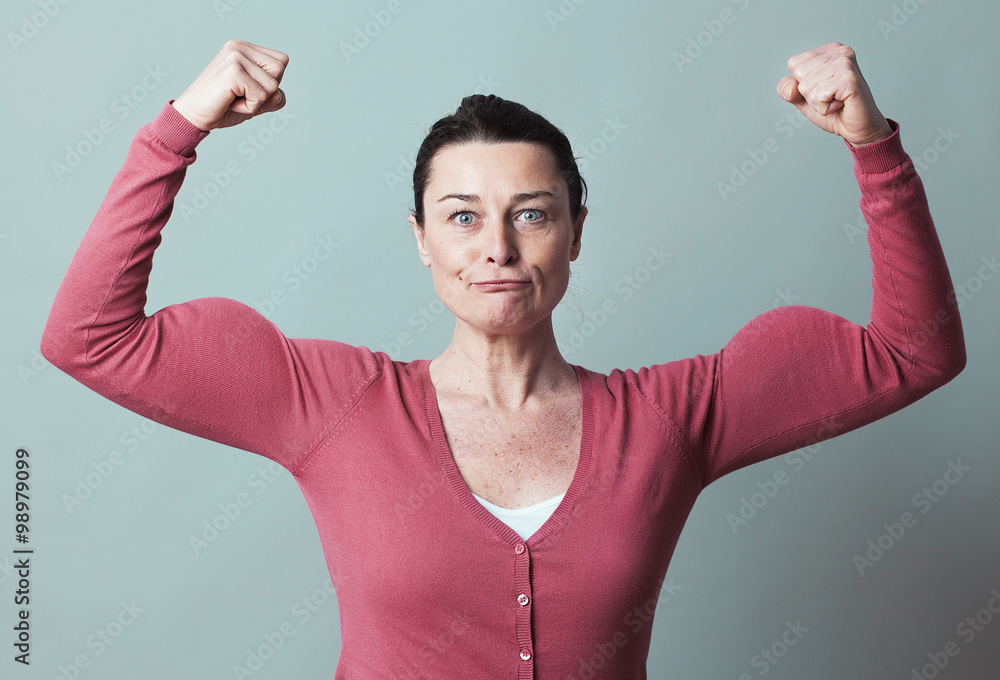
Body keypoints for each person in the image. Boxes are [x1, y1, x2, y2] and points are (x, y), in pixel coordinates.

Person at [41, 39, 965, 678]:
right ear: (420, 239)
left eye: (531, 213)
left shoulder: (672, 419)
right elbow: (89, 336)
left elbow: (914, 353)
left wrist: (872, 146)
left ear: (574, 234)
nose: (497, 248)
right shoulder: (332, 404)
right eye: (462, 217)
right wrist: (178, 129)